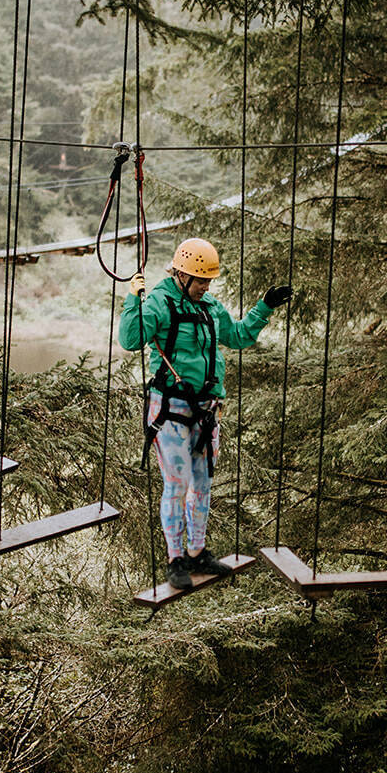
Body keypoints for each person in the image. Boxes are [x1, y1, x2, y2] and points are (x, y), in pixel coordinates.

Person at [119, 237, 291, 591]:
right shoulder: (158, 302)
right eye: (201, 281)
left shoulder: (209, 305)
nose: (206, 287)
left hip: (208, 411)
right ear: (181, 274)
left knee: (203, 485)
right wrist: (131, 298)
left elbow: (238, 336)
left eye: (209, 281)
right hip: (172, 409)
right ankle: (175, 559)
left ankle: (197, 553)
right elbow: (132, 339)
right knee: (177, 485)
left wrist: (265, 307)